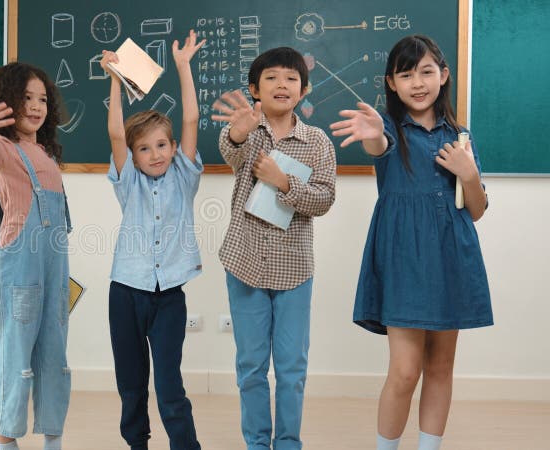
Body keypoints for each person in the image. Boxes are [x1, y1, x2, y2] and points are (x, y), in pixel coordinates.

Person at [329, 35, 493, 450]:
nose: (417, 83)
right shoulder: (388, 129)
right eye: (406, 74)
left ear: (444, 74)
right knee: (404, 372)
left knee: (440, 367)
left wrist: (469, 173)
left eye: (426, 71)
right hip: (403, 258)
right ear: (391, 83)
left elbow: (476, 209)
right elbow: (378, 145)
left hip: (452, 257)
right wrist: (372, 134)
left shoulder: (460, 136)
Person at [210, 46, 337, 450]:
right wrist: (239, 131)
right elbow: (230, 150)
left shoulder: (317, 142)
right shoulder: (248, 130)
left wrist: (283, 182)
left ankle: (287, 443)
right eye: (271, 78)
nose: (282, 84)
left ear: (304, 89)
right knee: (250, 366)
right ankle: (256, 443)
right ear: (255, 89)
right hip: (244, 262)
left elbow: (324, 199)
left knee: (292, 368)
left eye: (291, 78)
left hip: (294, 269)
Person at [0, 61, 71, 450]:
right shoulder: (4, 149)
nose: (36, 106)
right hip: (19, 267)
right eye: (26, 98)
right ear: (7, 101)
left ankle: (53, 440)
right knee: (13, 351)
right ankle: (6, 442)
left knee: (53, 352)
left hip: (53, 266)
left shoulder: (46, 154)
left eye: (42, 99)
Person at [99, 29, 205, 450]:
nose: (156, 154)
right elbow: (115, 133)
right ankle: (137, 443)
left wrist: (183, 67)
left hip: (168, 298)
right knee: (131, 382)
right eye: (144, 149)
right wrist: (114, 79)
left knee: (169, 384)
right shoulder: (129, 183)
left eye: (162, 145)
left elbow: (191, 119)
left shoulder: (184, 177)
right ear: (133, 155)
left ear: (174, 147)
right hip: (125, 293)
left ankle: (185, 445)